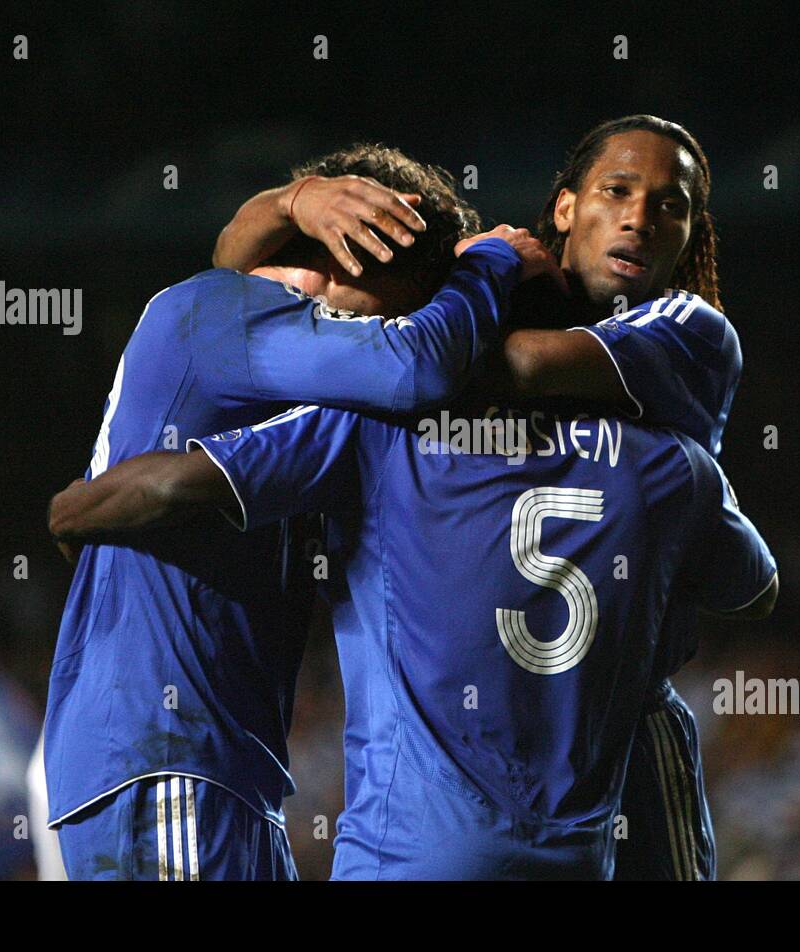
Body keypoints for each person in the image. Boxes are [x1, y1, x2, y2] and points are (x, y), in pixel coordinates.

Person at [212, 114, 756, 879]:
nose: (640, 217)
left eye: (673, 205)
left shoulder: (688, 330)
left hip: (621, 720)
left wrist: (427, 321)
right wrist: (292, 203)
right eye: (618, 190)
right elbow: (230, 285)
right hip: (483, 735)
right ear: (565, 206)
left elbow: (517, 368)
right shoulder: (488, 300)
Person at [44, 143, 557, 880]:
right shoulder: (232, 313)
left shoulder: (264, 365)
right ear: (354, 253)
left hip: (213, 767)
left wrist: (289, 201)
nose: (404, 324)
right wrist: (489, 263)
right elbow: (416, 364)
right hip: (168, 759)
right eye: (411, 301)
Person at [48, 389, 776, 878]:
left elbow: (186, 479)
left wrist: (75, 508)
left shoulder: (380, 428)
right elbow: (754, 587)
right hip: (577, 853)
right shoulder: (667, 462)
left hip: (408, 855)